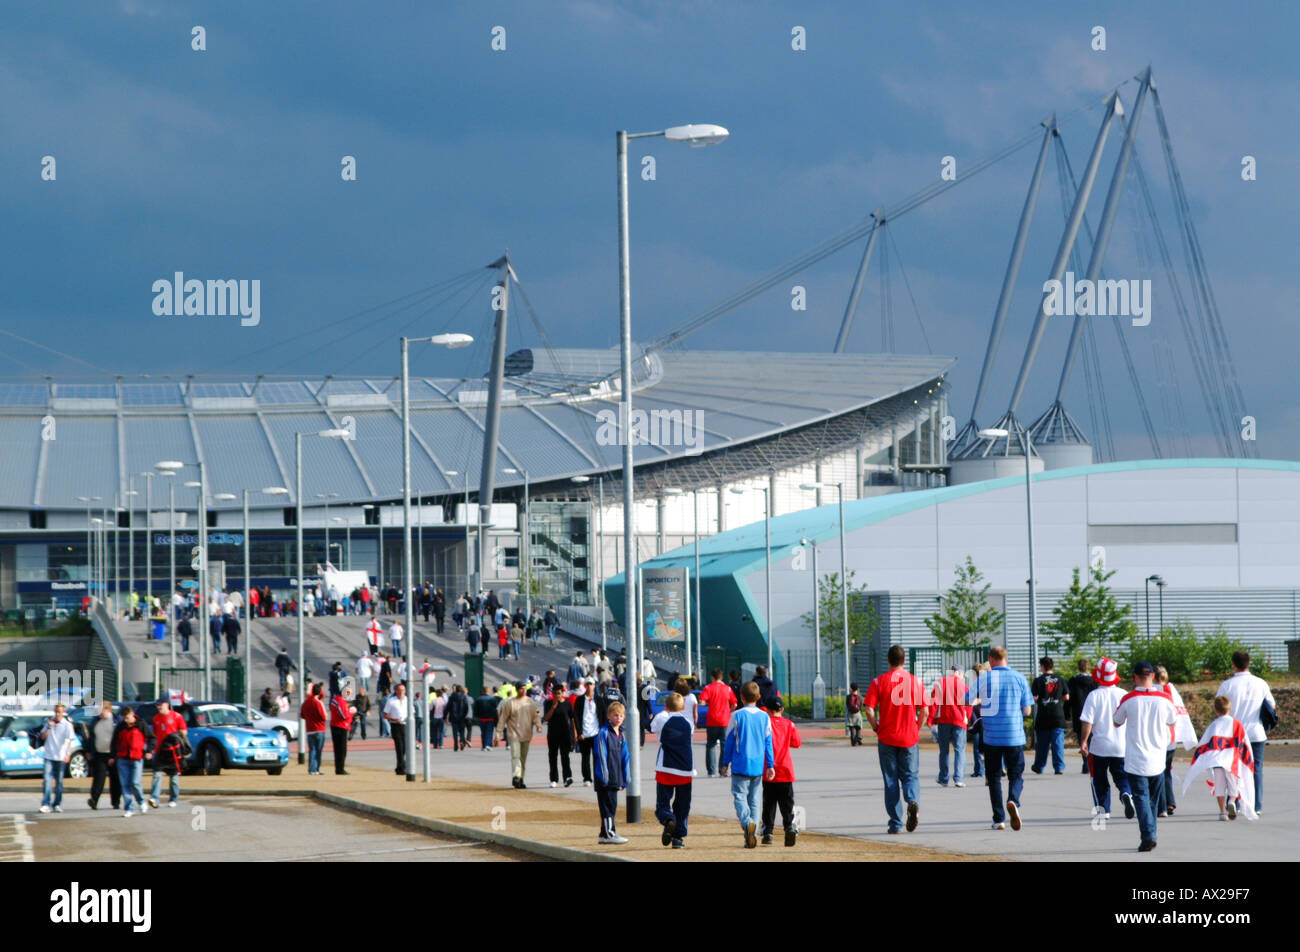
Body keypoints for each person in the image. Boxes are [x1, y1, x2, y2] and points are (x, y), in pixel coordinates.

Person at [1113, 661, 1178, 852]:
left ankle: (1148, 835)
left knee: (1141, 797)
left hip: (1135, 758)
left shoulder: (1129, 699)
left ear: (1135, 677)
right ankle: (1151, 833)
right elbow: (1173, 721)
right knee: (1153, 800)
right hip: (1158, 757)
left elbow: (1117, 722)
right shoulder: (1164, 699)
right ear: (1152, 676)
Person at [967, 646, 1033, 831]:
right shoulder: (1019, 678)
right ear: (1005, 657)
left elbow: (967, 700)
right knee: (1016, 774)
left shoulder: (985, 678)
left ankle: (999, 819)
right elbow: (1027, 710)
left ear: (991, 659)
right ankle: (1013, 800)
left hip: (991, 737)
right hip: (1014, 735)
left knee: (994, 777)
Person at [865, 645, 928, 834]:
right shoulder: (915, 682)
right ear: (904, 661)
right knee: (910, 775)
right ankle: (912, 800)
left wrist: (876, 726)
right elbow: (924, 710)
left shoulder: (878, 682)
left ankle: (895, 822)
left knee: (890, 780)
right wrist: (917, 728)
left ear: (888, 660)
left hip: (887, 736)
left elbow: (868, 708)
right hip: (909, 736)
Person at [1214, 650, 1275, 815]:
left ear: (1233, 665)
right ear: (1249, 663)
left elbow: (1218, 706)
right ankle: (1256, 805)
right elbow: (1272, 705)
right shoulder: (1261, 683)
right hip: (1256, 732)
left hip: (1233, 734)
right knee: (1256, 768)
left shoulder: (1227, 685)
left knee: (1233, 768)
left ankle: (1234, 802)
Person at [1182, 695, 1258, 822]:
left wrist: (1199, 758)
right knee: (1234, 785)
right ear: (1230, 709)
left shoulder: (1214, 725)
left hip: (1217, 761)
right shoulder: (1237, 724)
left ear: (1216, 710)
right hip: (1231, 760)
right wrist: (1247, 759)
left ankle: (1222, 812)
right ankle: (1232, 801)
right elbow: (1244, 743)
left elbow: (1204, 743)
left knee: (1220, 786)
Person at [720, 681, 776, 849]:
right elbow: (768, 742)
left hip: (740, 763)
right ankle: (754, 831)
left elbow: (729, 741)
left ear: (741, 697)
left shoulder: (736, 716)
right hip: (758, 765)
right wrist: (770, 764)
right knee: (755, 800)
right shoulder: (765, 717)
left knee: (739, 796)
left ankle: (747, 823)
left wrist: (724, 763)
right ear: (759, 697)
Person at [1079, 657, 1133, 821]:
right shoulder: (1124, 694)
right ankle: (1126, 793)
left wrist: (1083, 741)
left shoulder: (1093, 696)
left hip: (1099, 746)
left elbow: (1088, 722)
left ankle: (1103, 810)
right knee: (1122, 776)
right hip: (1121, 745)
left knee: (1099, 779)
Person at [650, 691, 695, 849]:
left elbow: (651, 727)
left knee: (663, 803)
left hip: (666, 767)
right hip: (685, 768)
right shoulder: (689, 723)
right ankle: (678, 837)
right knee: (683, 805)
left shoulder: (662, 718)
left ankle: (668, 819)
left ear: (666, 705)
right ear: (683, 706)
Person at [1155, 665, 1197, 818]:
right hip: (1171, 740)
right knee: (1166, 772)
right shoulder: (1172, 691)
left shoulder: (1154, 691)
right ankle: (1169, 803)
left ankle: (1162, 806)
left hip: (1158, 739)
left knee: (1158, 773)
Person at [760, 695, 802, 847]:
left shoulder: (765, 723)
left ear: (767, 710)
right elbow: (797, 743)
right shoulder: (789, 724)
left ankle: (768, 831)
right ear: (782, 709)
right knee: (787, 802)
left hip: (768, 770)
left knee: (769, 803)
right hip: (786, 769)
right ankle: (789, 827)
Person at [593, 701, 630, 844]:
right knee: (607, 807)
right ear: (609, 716)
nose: (618, 718)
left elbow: (625, 757)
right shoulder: (603, 733)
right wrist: (604, 776)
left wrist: (625, 777)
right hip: (605, 779)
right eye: (615, 715)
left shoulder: (622, 735)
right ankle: (610, 834)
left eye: (621, 716)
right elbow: (601, 756)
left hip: (616, 778)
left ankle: (603, 834)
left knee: (612, 805)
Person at [929, 664, 971, 787]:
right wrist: (967, 719)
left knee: (944, 751)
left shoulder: (940, 683)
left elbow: (933, 703)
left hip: (943, 720)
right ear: (960, 673)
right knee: (960, 750)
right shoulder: (964, 686)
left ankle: (943, 778)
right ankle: (958, 778)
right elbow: (969, 706)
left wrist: (931, 720)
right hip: (959, 721)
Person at [497, 683, 542, 788]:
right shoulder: (510, 703)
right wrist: (498, 732)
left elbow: (536, 715)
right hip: (514, 734)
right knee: (515, 756)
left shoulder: (530, 702)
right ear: (517, 690)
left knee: (523, 758)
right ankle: (516, 776)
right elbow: (503, 718)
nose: (524, 691)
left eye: (525, 689)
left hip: (526, 734)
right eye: (522, 689)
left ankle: (521, 779)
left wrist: (538, 725)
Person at [147, 699, 188, 809]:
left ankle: (174, 799)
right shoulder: (156, 718)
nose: (159, 707)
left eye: (161, 705)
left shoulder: (176, 716)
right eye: (157, 705)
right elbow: (154, 734)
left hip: (172, 751)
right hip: (160, 751)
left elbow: (184, 731)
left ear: (167, 705)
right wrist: (152, 749)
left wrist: (176, 736)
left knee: (174, 777)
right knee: (157, 775)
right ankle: (154, 798)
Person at [37, 703, 77, 813]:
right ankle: (46, 804)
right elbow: (43, 736)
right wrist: (49, 727)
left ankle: (57, 803)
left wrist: (68, 754)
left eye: (60, 712)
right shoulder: (48, 722)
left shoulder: (67, 725)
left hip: (60, 756)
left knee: (59, 782)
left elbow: (70, 741)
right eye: (56, 712)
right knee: (47, 780)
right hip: (49, 756)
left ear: (63, 712)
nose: (58, 714)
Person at [112, 706, 150, 818]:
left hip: (137, 758)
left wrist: (149, 751)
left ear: (132, 714)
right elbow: (114, 742)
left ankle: (142, 801)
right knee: (125, 784)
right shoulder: (120, 727)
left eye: (127, 717)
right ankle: (129, 808)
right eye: (124, 718)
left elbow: (151, 738)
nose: (125, 720)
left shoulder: (141, 724)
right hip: (123, 758)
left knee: (135, 782)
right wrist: (113, 756)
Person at [86, 701, 123, 812]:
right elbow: (91, 737)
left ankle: (115, 802)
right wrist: (88, 750)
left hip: (113, 754)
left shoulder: (116, 721)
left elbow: (121, 738)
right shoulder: (96, 721)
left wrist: (116, 754)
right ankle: (94, 800)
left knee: (115, 779)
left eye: (101, 710)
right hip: (99, 754)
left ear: (108, 710)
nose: (99, 713)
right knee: (98, 779)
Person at [699, 669, 737, 777]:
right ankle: (722, 770)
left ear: (712, 677)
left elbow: (702, 701)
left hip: (712, 720)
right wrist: (729, 712)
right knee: (724, 745)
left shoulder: (708, 688)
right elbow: (734, 704)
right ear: (721, 677)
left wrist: (705, 703)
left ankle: (711, 771)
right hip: (725, 720)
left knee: (711, 745)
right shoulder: (728, 689)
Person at [544, 683, 578, 788]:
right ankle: (554, 779)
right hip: (553, 734)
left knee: (565, 756)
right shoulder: (549, 703)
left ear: (562, 693)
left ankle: (567, 777)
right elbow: (546, 718)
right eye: (555, 694)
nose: (557, 696)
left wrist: (575, 732)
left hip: (565, 734)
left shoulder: (567, 704)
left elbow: (572, 719)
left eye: (558, 693)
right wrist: (553, 707)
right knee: (552, 757)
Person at [1068, 659, 1097, 774]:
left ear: (1078, 668)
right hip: (1093, 712)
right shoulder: (1094, 681)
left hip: (1078, 712)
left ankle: (1086, 763)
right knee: (1092, 737)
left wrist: (1067, 713)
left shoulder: (1073, 681)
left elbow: (1069, 698)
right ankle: (1092, 762)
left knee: (1082, 738)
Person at [573, 679, 603, 786]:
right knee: (585, 757)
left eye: (592, 684)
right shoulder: (580, 700)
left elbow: (603, 716)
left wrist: (602, 731)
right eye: (588, 684)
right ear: (585, 686)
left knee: (597, 757)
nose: (590, 686)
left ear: (595, 686)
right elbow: (576, 717)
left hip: (596, 733)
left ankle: (597, 777)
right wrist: (579, 732)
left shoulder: (599, 700)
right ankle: (587, 778)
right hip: (584, 734)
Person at [383, 683, 410, 775]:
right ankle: (402, 767)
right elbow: (385, 714)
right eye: (400, 690)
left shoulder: (407, 700)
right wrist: (394, 719)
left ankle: (399, 766)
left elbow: (412, 712)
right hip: (396, 725)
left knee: (405, 747)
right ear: (396, 691)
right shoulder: (391, 701)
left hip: (405, 725)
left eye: (404, 690)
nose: (402, 692)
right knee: (399, 746)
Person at [302, 683, 328, 776]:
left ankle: (311, 769)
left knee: (312, 750)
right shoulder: (318, 703)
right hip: (319, 729)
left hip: (310, 729)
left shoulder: (306, 702)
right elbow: (324, 717)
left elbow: (302, 715)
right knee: (318, 750)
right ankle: (316, 768)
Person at [330, 686, 354, 775]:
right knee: (341, 749)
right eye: (348, 693)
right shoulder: (340, 701)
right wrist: (351, 713)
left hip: (338, 726)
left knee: (338, 749)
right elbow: (344, 715)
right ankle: (340, 768)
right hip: (340, 726)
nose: (349, 695)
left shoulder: (337, 699)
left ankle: (339, 768)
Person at [447, 685, 471, 752]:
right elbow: (466, 707)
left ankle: (455, 745)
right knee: (462, 731)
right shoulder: (463, 696)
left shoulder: (452, 696)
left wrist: (445, 715)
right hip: (461, 717)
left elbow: (448, 706)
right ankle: (462, 741)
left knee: (455, 732)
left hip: (453, 717)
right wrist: (464, 715)